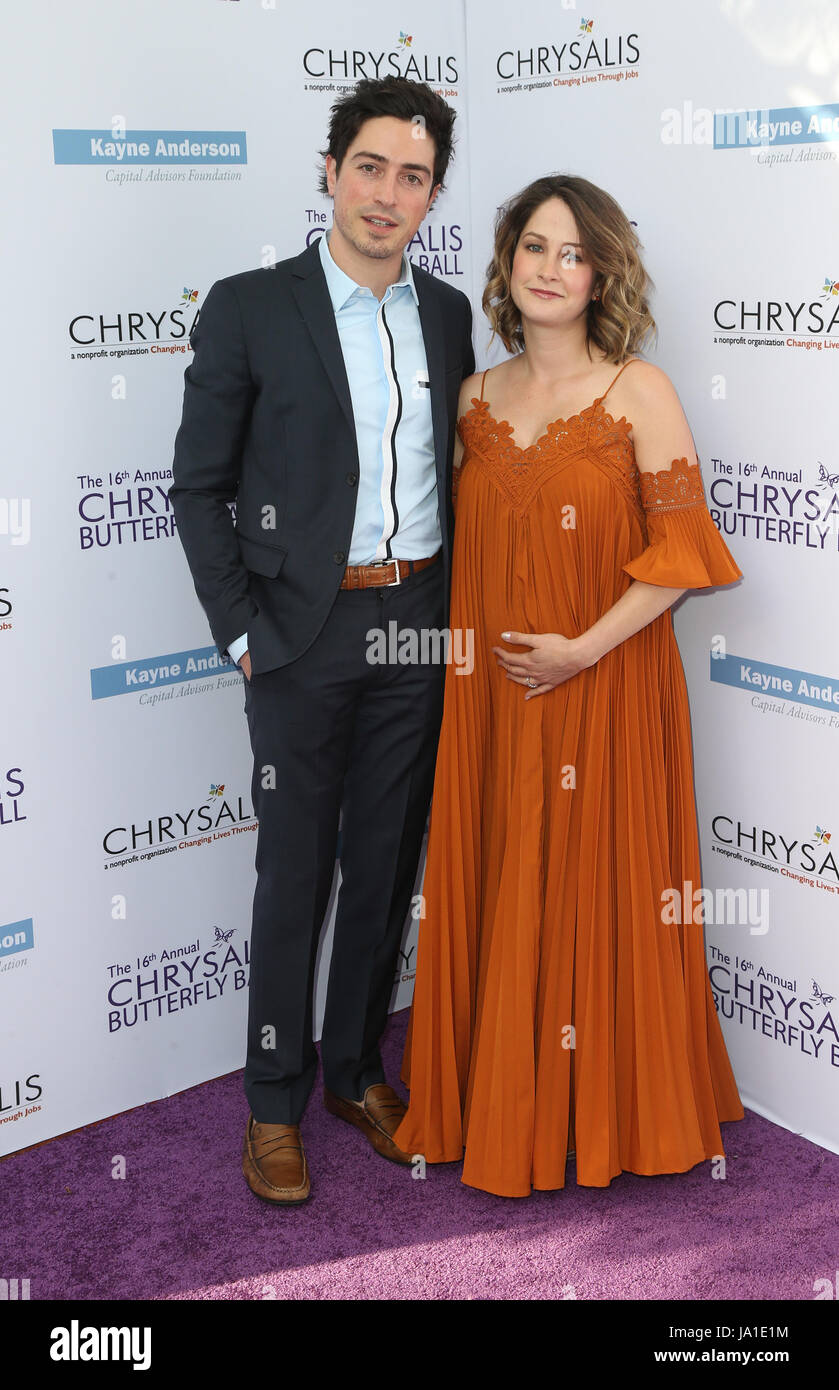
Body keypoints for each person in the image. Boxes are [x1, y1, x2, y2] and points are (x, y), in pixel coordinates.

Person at [393, 174, 745, 1197]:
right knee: (503, 879)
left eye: (572, 253)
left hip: (606, 686)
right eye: (532, 247)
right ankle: (501, 1105)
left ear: (601, 274)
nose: (549, 269)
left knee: (604, 891)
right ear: (506, 263)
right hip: (492, 701)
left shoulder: (638, 390)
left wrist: (580, 650)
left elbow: (680, 557)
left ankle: (611, 1113)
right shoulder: (472, 400)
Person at [169, 77, 474, 1204]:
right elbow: (197, 488)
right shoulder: (250, 307)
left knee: (386, 858)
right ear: (331, 171)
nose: (387, 195)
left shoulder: (448, 314)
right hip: (300, 632)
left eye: (412, 177)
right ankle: (272, 1101)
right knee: (293, 871)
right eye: (370, 168)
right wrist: (243, 637)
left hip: (416, 620)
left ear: (432, 195)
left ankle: (353, 1071)